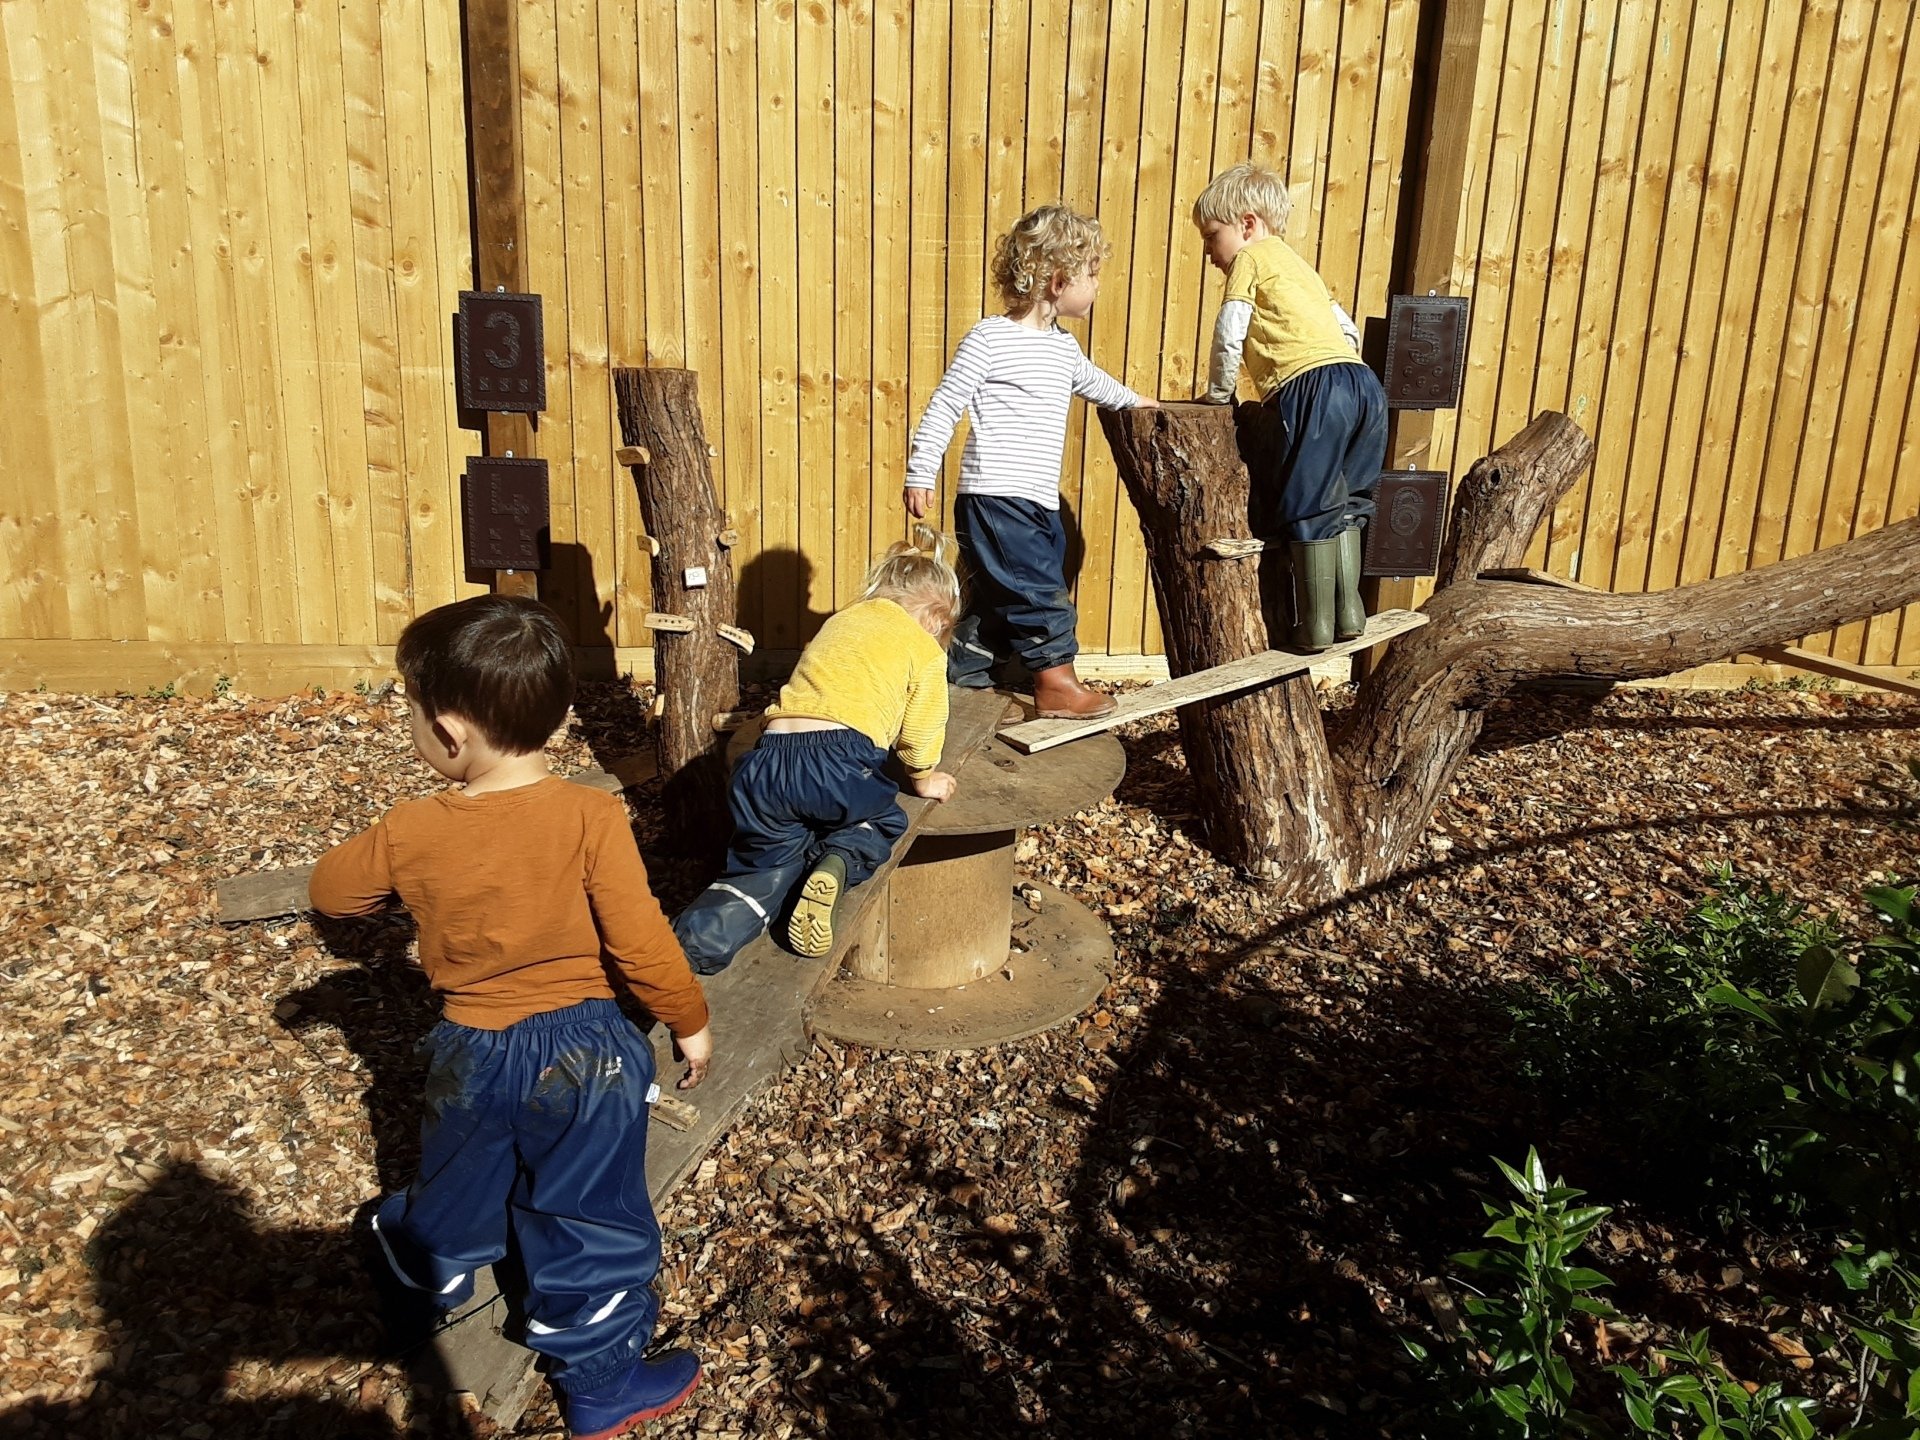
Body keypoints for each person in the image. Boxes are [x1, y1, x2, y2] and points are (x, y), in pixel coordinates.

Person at [308, 594, 712, 1440]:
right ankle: (600, 1378)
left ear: (451, 734)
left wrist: (399, 862)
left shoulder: (414, 827)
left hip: (472, 1048)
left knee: (464, 1168)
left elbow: (332, 894)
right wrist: (687, 1020)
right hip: (588, 1054)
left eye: (412, 713)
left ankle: (434, 1266)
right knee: (586, 1211)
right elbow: (640, 941)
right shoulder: (593, 815)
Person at [903, 204, 1159, 718]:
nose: (1097, 286)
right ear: (1059, 279)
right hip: (996, 494)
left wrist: (1139, 403)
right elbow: (946, 402)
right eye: (1093, 275)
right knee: (1039, 590)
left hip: (1035, 499)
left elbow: (1098, 385)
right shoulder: (990, 339)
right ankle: (1057, 684)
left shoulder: (1062, 349)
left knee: (1002, 591)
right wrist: (920, 469)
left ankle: (962, 665)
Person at [674, 527, 962, 971]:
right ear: (937, 620)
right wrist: (923, 777)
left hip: (765, 762)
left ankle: (691, 947)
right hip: (837, 759)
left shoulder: (840, 621)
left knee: (763, 864)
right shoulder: (923, 647)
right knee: (880, 819)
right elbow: (923, 729)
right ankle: (835, 863)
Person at [1193, 161, 1386, 651]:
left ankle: (1314, 625)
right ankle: (1350, 614)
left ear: (1248, 224)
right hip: (1362, 385)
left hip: (1311, 388)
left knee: (1309, 501)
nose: (1209, 251)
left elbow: (1230, 327)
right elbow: (1347, 329)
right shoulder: (1302, 268)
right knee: (1349, 499)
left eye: (1212, 236)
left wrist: (1219, 394)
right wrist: (1344, 373)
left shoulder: (1251, 261)